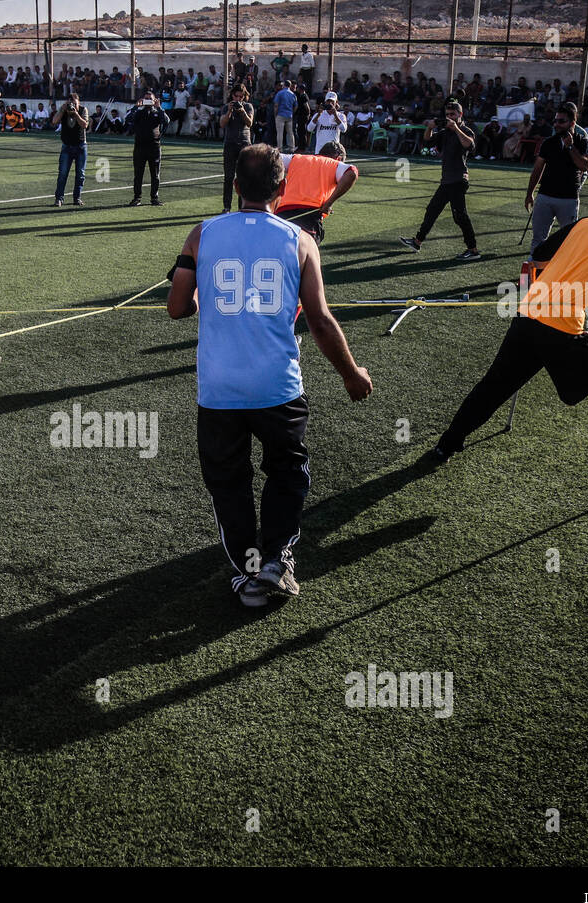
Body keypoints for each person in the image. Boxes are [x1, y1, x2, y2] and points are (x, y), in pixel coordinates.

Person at [166, 144, 372, 606]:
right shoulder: (301, 241)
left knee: (228, 482)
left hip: (219, 390)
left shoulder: (202, 233)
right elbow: (318, 320)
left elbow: (178, 308)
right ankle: (277, 562)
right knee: (287, 473)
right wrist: (351, 373)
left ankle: (246, 572)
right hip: (278, 385)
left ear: (236, 185)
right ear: (281, 188)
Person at [433, 209, 588, 463]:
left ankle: (448, 443)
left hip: (527, 316)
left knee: (493, 387)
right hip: (561, 331)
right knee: (573, 394)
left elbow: (541, 253)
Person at [398, 99, 481, 261]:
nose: (449, 117)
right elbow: (427, 140)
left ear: (460, 115)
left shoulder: (465, 130)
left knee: (460, 216)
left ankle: (473, 249)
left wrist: (455, 128)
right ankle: (417, 241)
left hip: (458, 180)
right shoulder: (445, 132)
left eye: (453, 114)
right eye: (447, 114)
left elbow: (469, 145)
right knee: (432, 210)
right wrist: (429, 127)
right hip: (447, 180)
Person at [524, 101, 588, 258]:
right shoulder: (549, 142)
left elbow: (585, 165)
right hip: (545, 197)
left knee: (568, 242)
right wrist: (529, 193)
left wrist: (570, 147)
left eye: (561, 121)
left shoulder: (582, 141)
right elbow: (537, 169)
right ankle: (532, 278)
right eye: (555, 120)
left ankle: (563, 277)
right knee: (538, 240)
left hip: (568, 199)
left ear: (572, 123)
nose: (557, 124)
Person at [275, 141, 359, 244]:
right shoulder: (335, 164)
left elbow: (271, 157)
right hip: (309, 218)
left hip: (281, 215)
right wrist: (329, 203)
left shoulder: (296, 158)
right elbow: (352, 173)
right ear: (339, 158)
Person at [128, 91, 169, 206]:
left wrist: (159, 108)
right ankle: (137, 198)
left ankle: (154, 198)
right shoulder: (138, 113)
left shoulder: (158, 112)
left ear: (154, 100)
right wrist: (136, 107)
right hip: (139, 147)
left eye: (150, 99)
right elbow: (128, 119)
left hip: (154, 147)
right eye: (146, 99)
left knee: (155, 175)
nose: (148, 101)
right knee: (138, 174)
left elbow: (166, 121)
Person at [220, 85, 254, 214]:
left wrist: (242, 111)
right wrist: (229, 111)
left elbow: (249, 123)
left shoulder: (248, 106)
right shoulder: (226, 107)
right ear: (232, 95)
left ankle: (242, 207)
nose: (238, 99)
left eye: (241, 97)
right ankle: (226, 207)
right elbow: (222, 124)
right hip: (230, 144)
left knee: (243, 178)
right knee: (228, 177)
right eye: (236, 96)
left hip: (245, 145)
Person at [51, 92, 89, 207]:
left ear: (79, 103)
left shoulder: (83, 110)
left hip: (81, 146)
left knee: (80, 174)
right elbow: (54, 121)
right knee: (62, 174)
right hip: (66, 146)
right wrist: (62, 110)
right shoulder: (63, 110)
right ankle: (59, 198)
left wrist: (76, 114)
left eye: (75, 103)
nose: (72, 106)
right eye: (70, 103)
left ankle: (77, 198)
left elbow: (84, 125)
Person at [273, 80, 297, 153]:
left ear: (283, 85)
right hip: (289, 115)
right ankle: (291, 148)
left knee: (280, 132)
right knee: (290, 132)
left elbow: (276, 105)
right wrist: (292, 112)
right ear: (290, 86)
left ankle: (280, 148)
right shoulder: (293, 94)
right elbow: (296, 106)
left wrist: (275, 114)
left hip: (280, 114)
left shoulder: (280, 93)